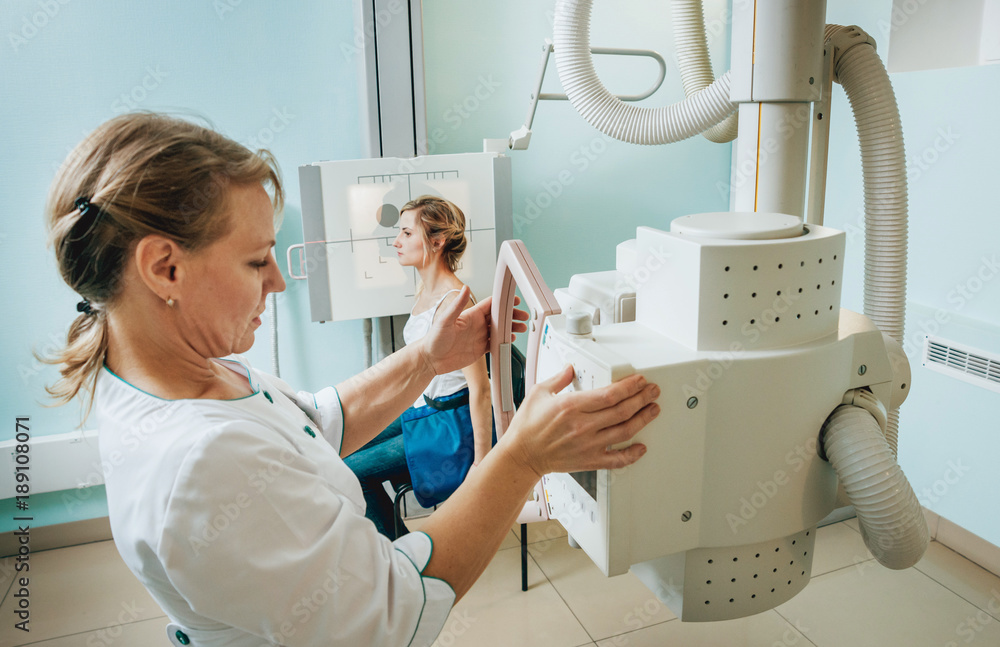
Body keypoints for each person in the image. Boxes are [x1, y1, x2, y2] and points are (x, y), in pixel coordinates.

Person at [44, 112, 660, 647]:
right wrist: (521, 459)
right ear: (163, 268)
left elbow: (312, 424)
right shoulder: (205, 461)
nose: (278, 281)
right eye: (257, 260)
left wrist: (427, 357)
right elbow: (389, 615)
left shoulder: (181, 368)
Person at [345, 195, 491, 539]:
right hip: (421, 410)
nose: (396, 241)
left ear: (436, 242)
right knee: (342, 448)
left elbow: (481, 390)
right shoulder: (423, 292)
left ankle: (402, 566)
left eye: (407, 233)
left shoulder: (455, 302)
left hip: (449, 423)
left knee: (351, 472)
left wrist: (483, 466)